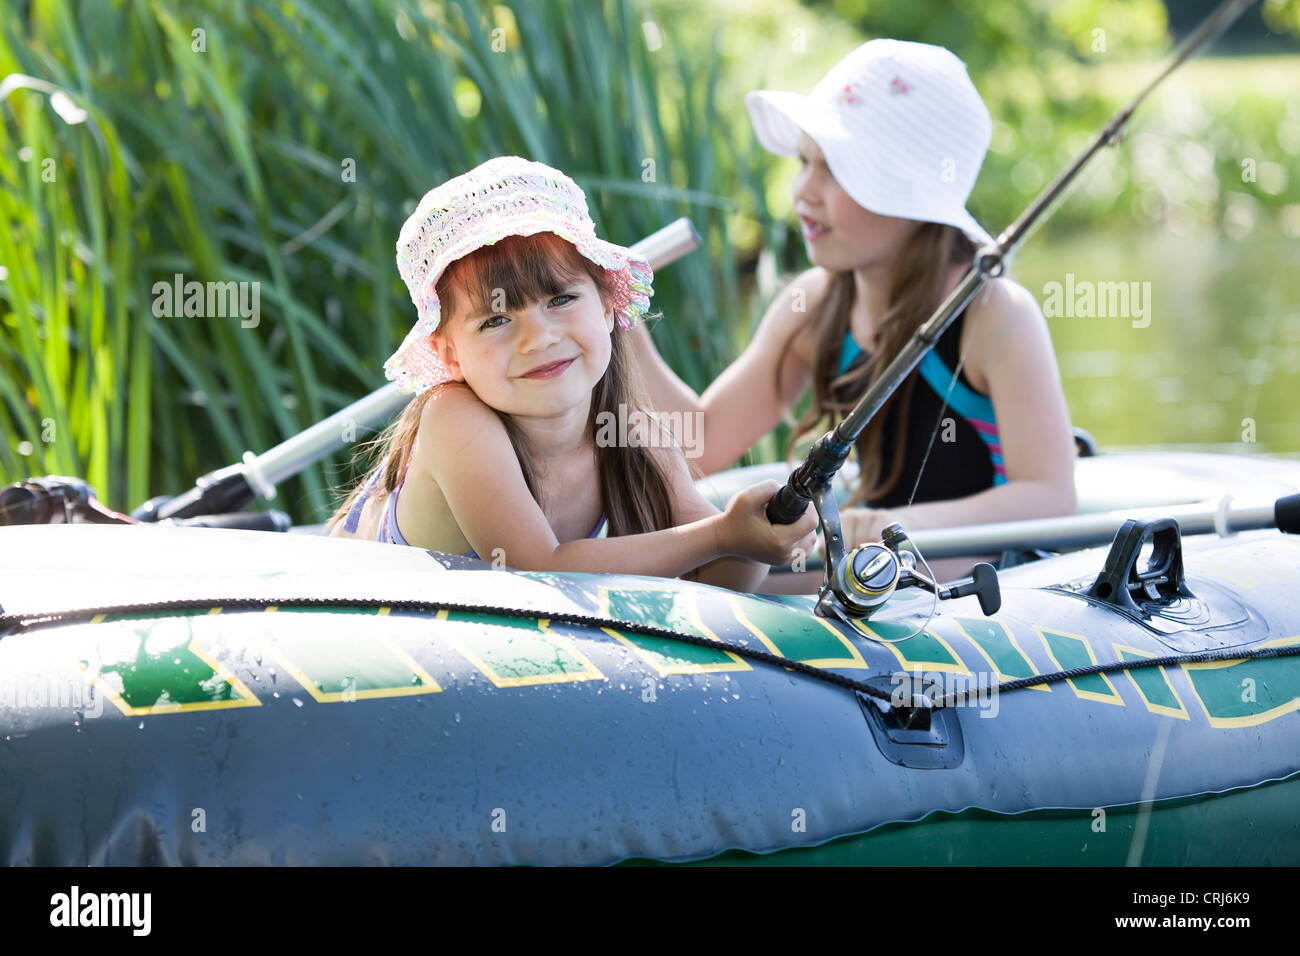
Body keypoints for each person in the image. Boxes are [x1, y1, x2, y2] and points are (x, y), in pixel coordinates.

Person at [630, 39, 1076, 585]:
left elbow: (1051, 496)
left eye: (834, 170)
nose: (803, 192)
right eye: (803, 163)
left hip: (976, 571)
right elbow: (702, 440)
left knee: (723, 575)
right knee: (712, 567)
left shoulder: (994, 314)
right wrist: (622, 320)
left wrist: (894, 523)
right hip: (869, 563)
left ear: (910, 195)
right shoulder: (814, 304)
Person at [325, 156, 817, 591]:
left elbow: (720, 578)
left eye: (560, 299)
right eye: (496, 320)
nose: (538, 338)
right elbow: (539, 568)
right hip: (354, 615)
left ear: (606, 304)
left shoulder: (627, 428)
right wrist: (720, 535)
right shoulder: (455, 420)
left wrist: (761, 534)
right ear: (450, 355)